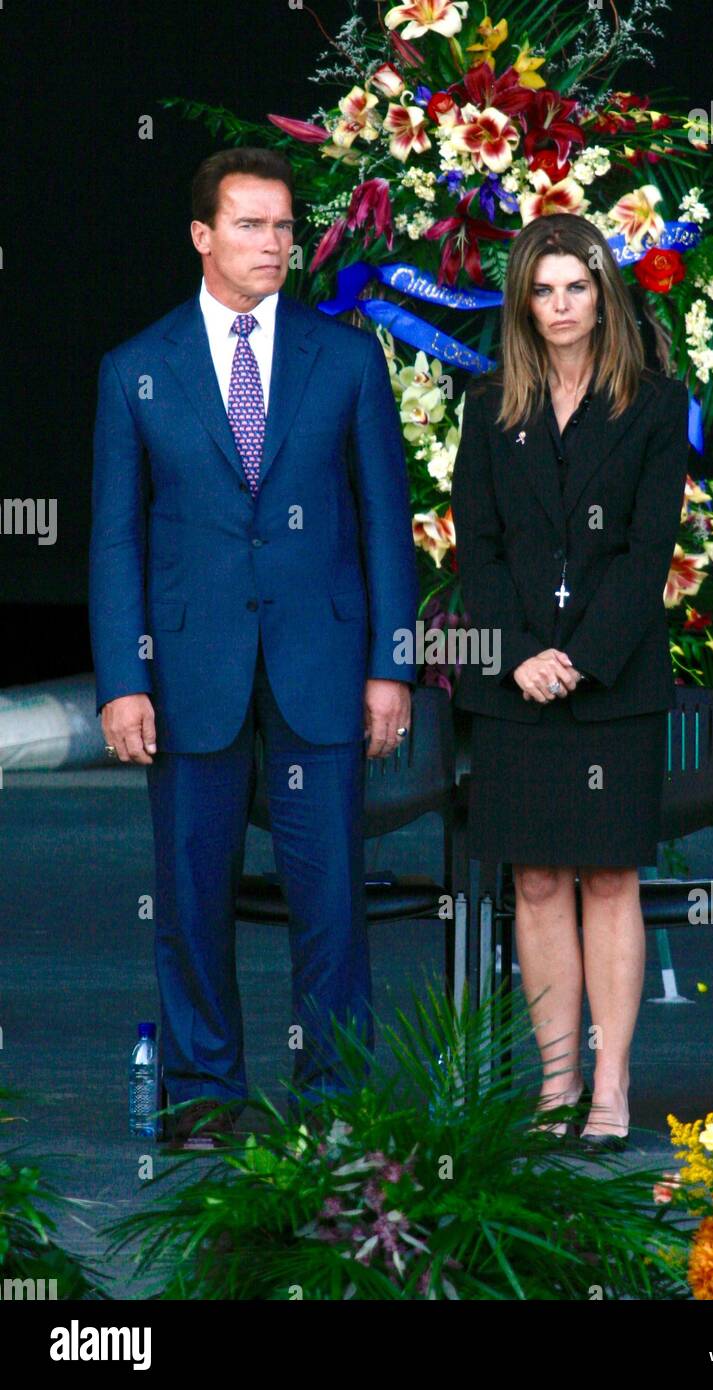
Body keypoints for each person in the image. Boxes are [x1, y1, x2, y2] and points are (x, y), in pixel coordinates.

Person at [88, 147, 418, 1148]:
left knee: (331, 904)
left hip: (322, 666)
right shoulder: (135, 369)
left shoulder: (349, 357)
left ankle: (337, 1099)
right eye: (250, 225)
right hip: (187, 673)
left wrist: (391, 665)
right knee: (191, 898)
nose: (276, 243)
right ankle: (200, 1092)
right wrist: (121, 680)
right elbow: (116, 538)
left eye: (284, 226)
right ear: (202, 236)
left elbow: (384, 525)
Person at [450, 212, 689, 1150]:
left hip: (613, 681)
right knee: (539, 882)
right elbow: (481, 547)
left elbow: (647, 555)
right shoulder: (487, 404)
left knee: (607, 879)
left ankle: (612, 1089)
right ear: (523, 301)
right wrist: (516, 651)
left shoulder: (656, 406)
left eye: (577, 288)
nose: (560, 306)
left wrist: (581, 658)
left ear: (604, 294)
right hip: (513, 681)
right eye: (543, 290)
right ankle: (556, 1089)